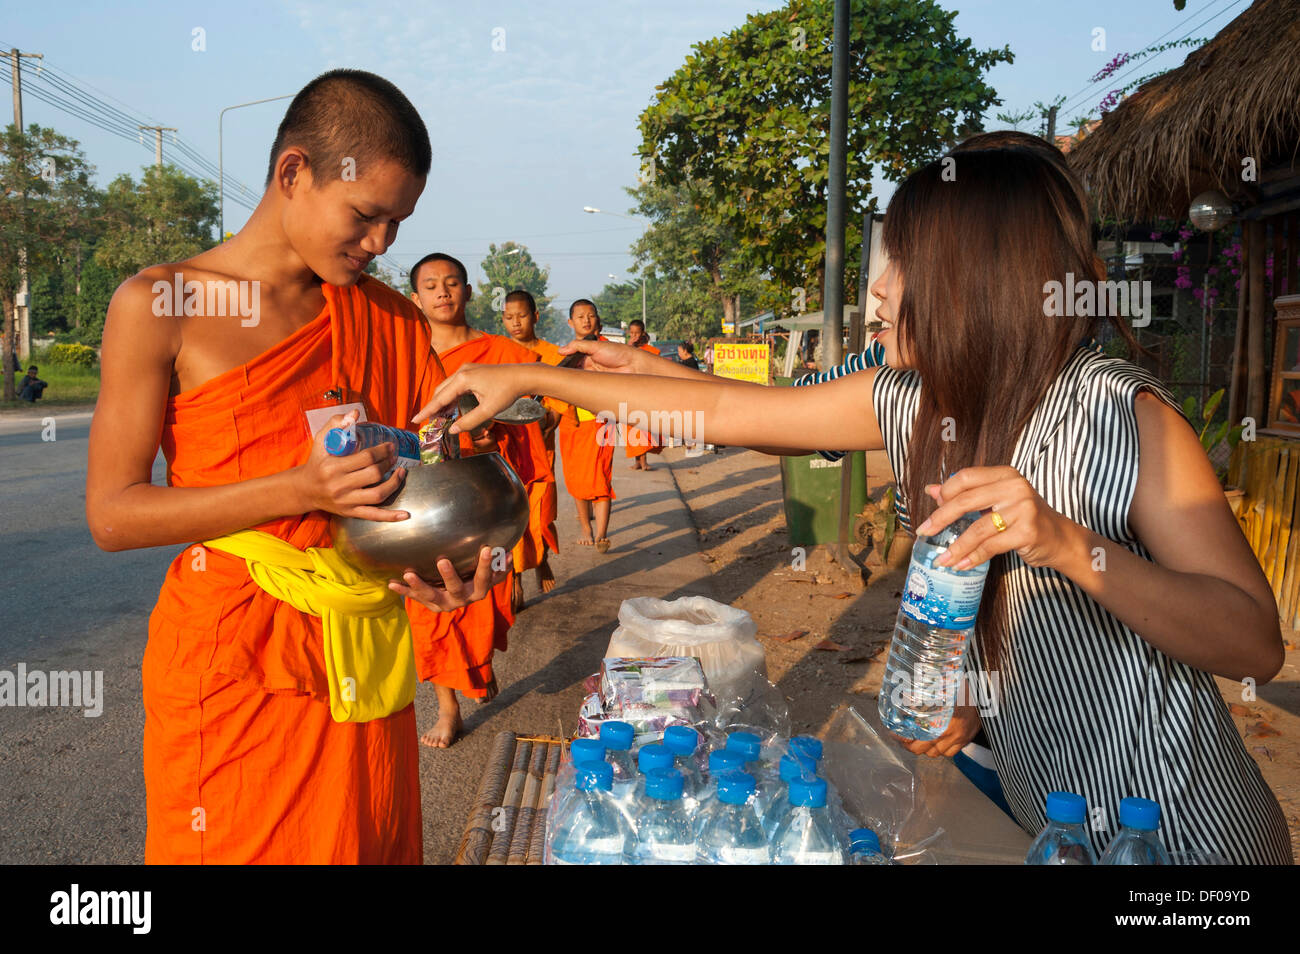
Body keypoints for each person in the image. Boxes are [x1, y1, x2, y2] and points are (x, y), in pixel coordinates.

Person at [425, 142, 1293, 864]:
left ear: (970, 276)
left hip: (1181, 837)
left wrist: (1069, 545)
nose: (876, 293)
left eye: (897, 268)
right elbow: (734, 414)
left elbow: (1253, 638)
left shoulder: (1126, 414)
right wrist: (539, 376)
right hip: (1046, 824)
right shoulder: (918, 397)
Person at [84, 70, 504, 865]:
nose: (381, 244)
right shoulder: (162, 304)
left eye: (397, 223)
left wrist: (462, 563)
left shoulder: (388, 316)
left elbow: (427, 479)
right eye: (366, 215)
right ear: (293, 174)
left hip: (363, 645)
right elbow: (113, 514)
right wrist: (295, 490)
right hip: (235, 659)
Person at [406, 253, 552, 746]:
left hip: (484, 491)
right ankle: (448, 709)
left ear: (468, 293)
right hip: (426, 496)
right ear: (416, 299)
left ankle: (477, 661)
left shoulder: (497, 353)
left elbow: (530, 421)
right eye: (431, 286)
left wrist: (493, 441)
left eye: (452, 283)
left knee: (483, 602)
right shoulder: (405, 355)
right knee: (430, 606)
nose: (443, 292)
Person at [501, 288, 570, 596]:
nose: (515, 323)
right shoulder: (498, 353)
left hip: (542, 449)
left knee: (541, 515)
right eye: (508, 317)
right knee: (510, 514)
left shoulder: (554, 356)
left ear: (536, 317)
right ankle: (514, 577)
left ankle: (540, 559)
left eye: (522, 316)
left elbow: (557, 407)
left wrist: (543, 419)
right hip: (507, 449)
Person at [554, 299, 616, 552]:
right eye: (580, 316)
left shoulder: (608, 350)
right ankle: (586, 529)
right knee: (577, 479)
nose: (586, 320)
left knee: (602, 477)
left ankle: (601, 534)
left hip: (602, 422)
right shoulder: (566, 353)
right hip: (574, 423)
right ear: (571, 322)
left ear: (597, 319)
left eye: (591, 315)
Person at [623, 319, 663, 471]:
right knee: (631, 428)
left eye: (637, 333)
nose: (634, 336)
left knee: (643, 428)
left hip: (645, 393)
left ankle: (644, 460)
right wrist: (629, 348)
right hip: (629, 393)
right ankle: (638, 461)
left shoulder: (651, 352)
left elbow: (657, 370)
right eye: (631, 333)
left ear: (643, 333)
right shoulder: (625, 349)